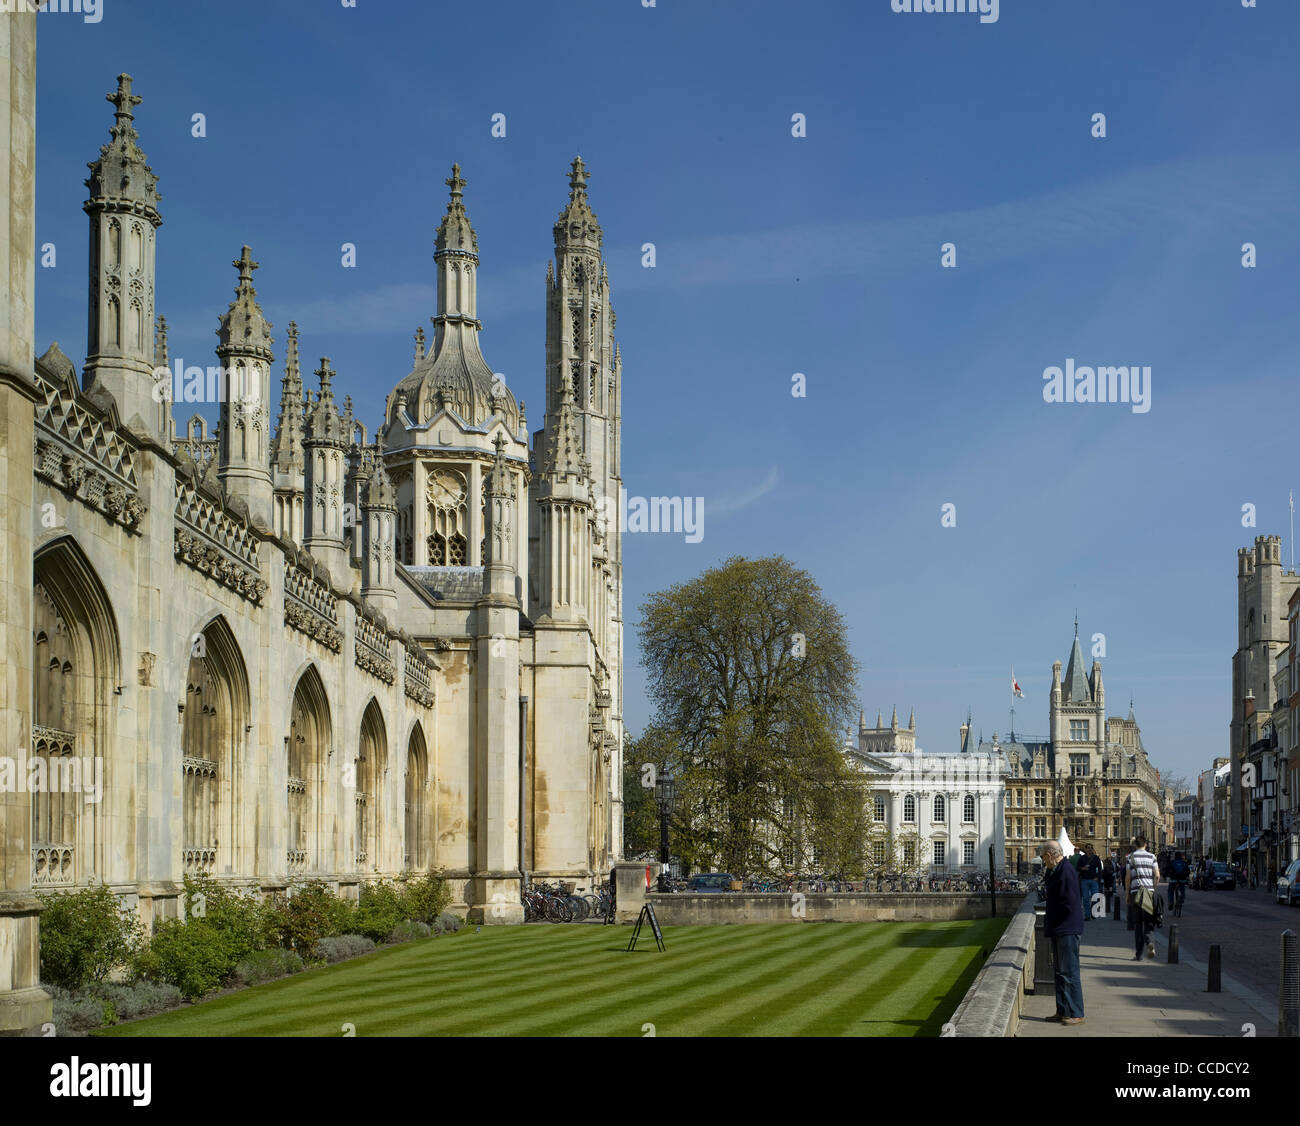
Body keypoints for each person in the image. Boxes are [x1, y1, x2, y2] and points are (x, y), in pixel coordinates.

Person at [1040, 840, 1084, 1025]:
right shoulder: (1058, 870)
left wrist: (1056, 916)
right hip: (1061, 927)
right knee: (1059, 972)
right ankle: (1062, 1010)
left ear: (1050, 855)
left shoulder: (1066, 871)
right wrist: (1049, 871)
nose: (1043, 861)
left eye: (1043, 857)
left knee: (1069, 972)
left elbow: (1069, 901)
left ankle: (1076, 1013)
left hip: (1067, 928)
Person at [1126, 835, 1161, 960]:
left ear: (1135, 845)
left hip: (1136, 893)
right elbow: (1157, 875)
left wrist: (1127, 895)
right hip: (1149, 893)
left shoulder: (1131, 857)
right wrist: (1153, 888)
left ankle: (1138, 954)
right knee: (1149, 922)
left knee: (1138, 924)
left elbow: (1128, 878)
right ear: (1145, 844)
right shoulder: (1152, 857)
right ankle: (1150, 942)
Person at [1077, 843, 1102, 923]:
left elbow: (1100, 869)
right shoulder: (1082, 858)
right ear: (1086, 849)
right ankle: (1087, 915)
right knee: (1085, 898)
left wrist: (1097, 877)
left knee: (1096, 896)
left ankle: (1093, 911)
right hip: (1084, 880)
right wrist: (1083, 868)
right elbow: (1077, 867)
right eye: (1088, 848)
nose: (1089, 849)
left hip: (1094, 880)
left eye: (1091, 848)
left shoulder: (1096, 858)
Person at [1167, 850, 1190, 916]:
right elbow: (1188, 871)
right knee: (1182, 889)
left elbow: (1168, 870)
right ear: (1181, 856)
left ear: (1175, 856)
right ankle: (1182, 898)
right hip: (1182, 880)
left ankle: (1171, 903)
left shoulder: (1172, 862)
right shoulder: (1184, 863)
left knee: (1170, 891)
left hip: (1173, 880)